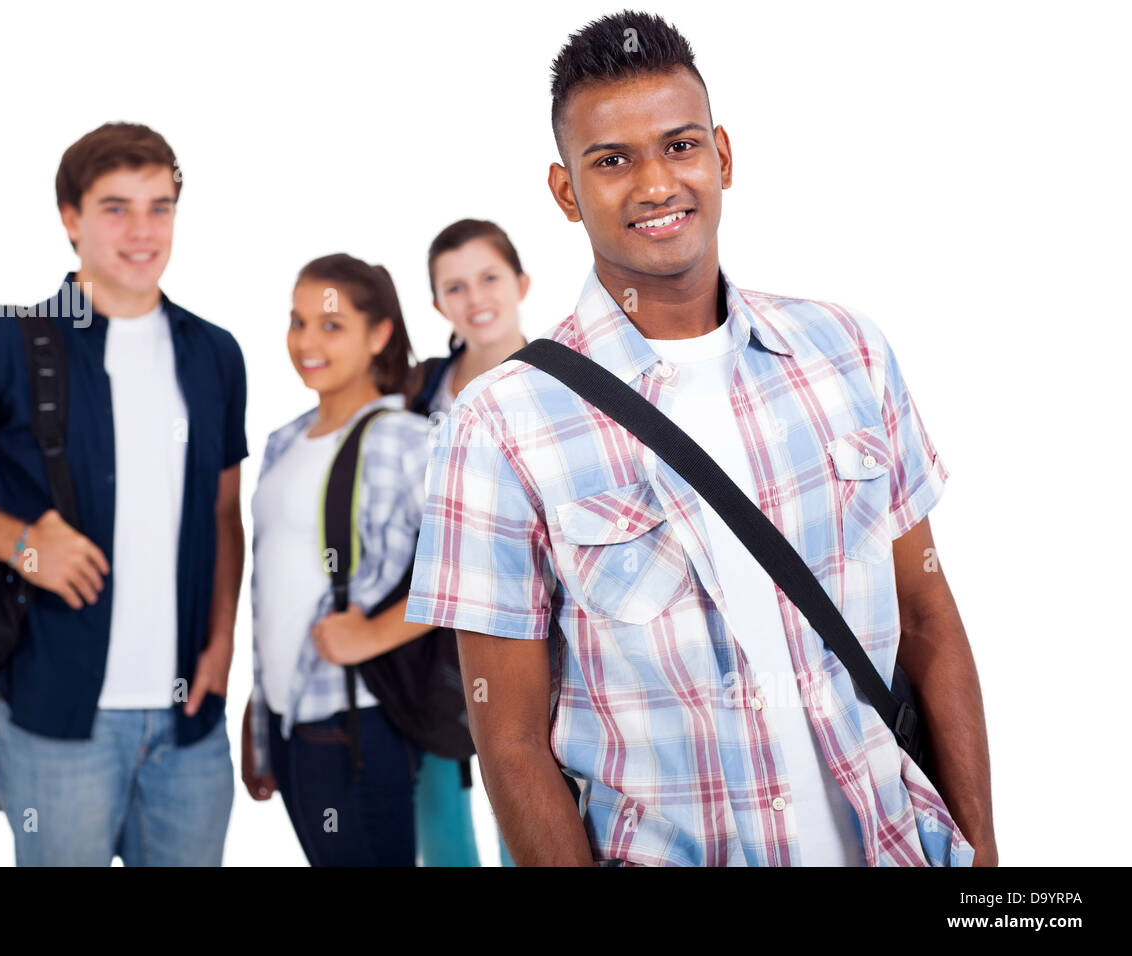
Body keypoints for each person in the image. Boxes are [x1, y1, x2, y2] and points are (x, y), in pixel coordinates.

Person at [405, 11, 997, 866]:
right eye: (611, 160)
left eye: (679, 146)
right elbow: (511, 743)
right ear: (565, 191)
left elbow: (929, 615)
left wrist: (983, 859)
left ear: (722, 154)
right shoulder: (499, 424)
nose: (654, 184)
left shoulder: (847, 351)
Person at [0, 122, 248, 865]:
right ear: (69, 218)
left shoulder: (215, 353)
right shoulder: (2, 341)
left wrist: (224, 640)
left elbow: (224, 512)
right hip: (55, 718)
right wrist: (19, 545)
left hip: (190, 725)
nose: (143, 231)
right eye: (116, 207)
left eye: (160, 206)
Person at [240, 253, 436, 866]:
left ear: (378, 334)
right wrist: (257, 708)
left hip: (355, 722)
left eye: (330, 325)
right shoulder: (282, 440)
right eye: (297, 323)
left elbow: (482, 568)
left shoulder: (408, 440)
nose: (306, 342)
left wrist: (375, 631)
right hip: (286, 714)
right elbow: (274, 584)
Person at [407, 219, 529, 867]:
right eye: (454, 286)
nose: (475, 297)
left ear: (521, 283)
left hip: (534, 636)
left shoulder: (565, 382)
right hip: (430, 644)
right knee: (442, 822)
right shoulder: (415, 391)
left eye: (489, 277)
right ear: (436, 304)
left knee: (530, 802)